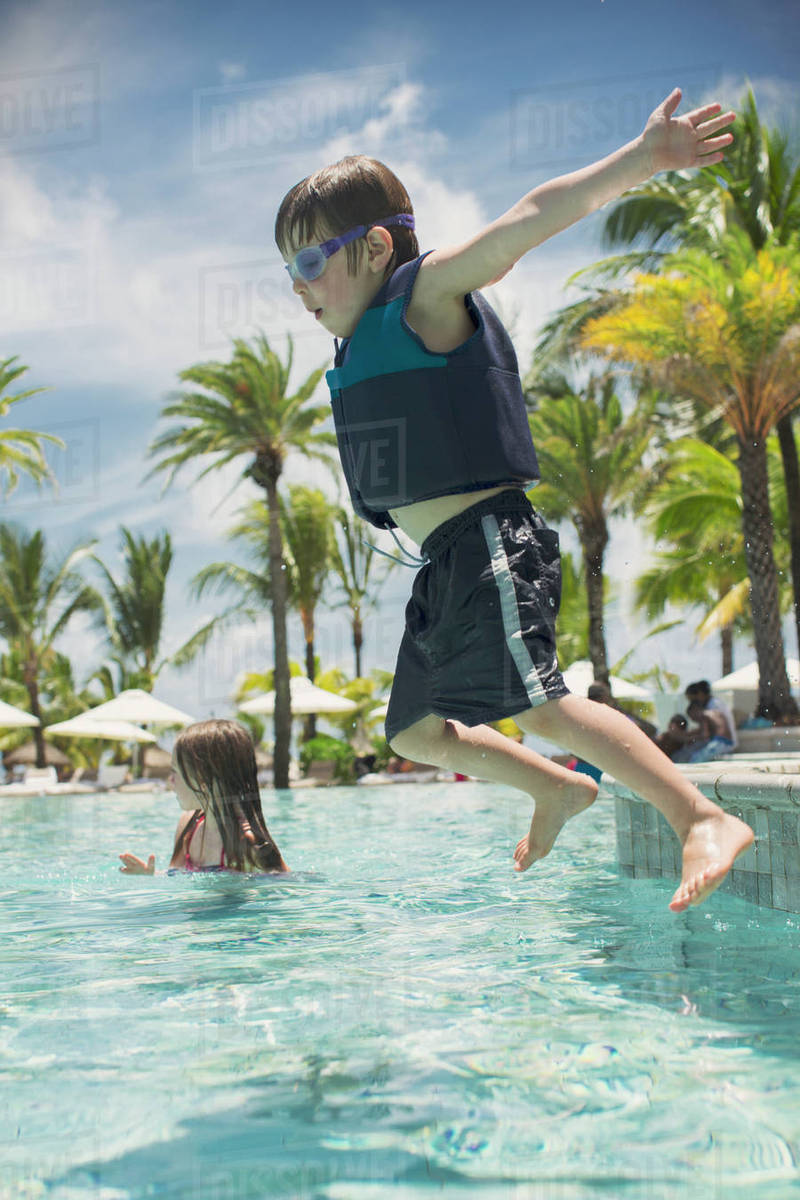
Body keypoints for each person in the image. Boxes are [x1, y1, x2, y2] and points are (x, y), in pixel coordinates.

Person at [275, 87, 753, 912]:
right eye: (289, 271)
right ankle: (556, 787)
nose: (298, 285)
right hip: (446, 560)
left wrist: (643, 159)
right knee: (414, 731)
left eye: (311, 262)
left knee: (542, 705)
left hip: (491, 538)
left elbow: (527, 220)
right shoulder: (358, 347)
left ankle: (701, 815)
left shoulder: (423, 297)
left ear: (377, 247)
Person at [119, 719, 288, 875]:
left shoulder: (248, 844)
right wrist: (151, 875)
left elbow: (283, 883)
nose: (170, 780)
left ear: (203, 781)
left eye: (175, 771)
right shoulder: (188, 824)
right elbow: (176, 874)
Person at [684, 680, 738, 750]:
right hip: (723, 741)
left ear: (700, 694)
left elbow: (706, 733)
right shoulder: (713, 703)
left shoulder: (713, 705)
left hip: (724, 742)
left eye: (693, 700)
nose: (692, 703)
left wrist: (688, 737)